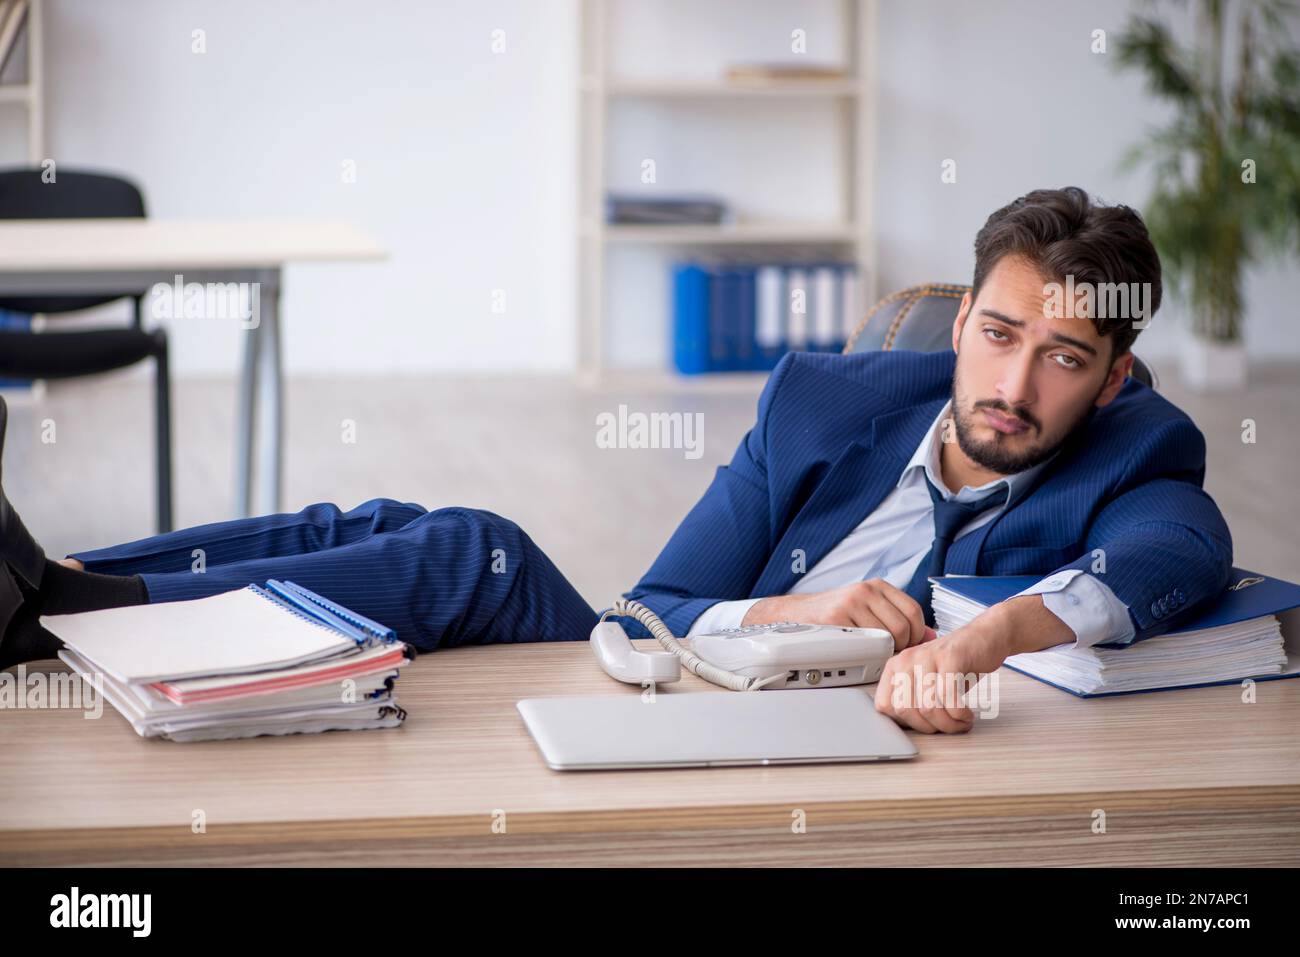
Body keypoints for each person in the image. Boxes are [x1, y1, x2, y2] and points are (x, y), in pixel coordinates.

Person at [0, 187, 1232, 733]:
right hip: (657, 663)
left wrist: (973, 641)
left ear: (1112, 376)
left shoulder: (1142, 452)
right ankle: (66, 586)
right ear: (960, 322)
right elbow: (650, 606)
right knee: (376, 516)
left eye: (1062, 359)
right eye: (999, 336)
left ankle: (60, 614)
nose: (1013, 387)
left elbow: (1184, 552)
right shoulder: (821, 400)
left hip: (728, 719)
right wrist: (793, 605)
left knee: (464, 547)